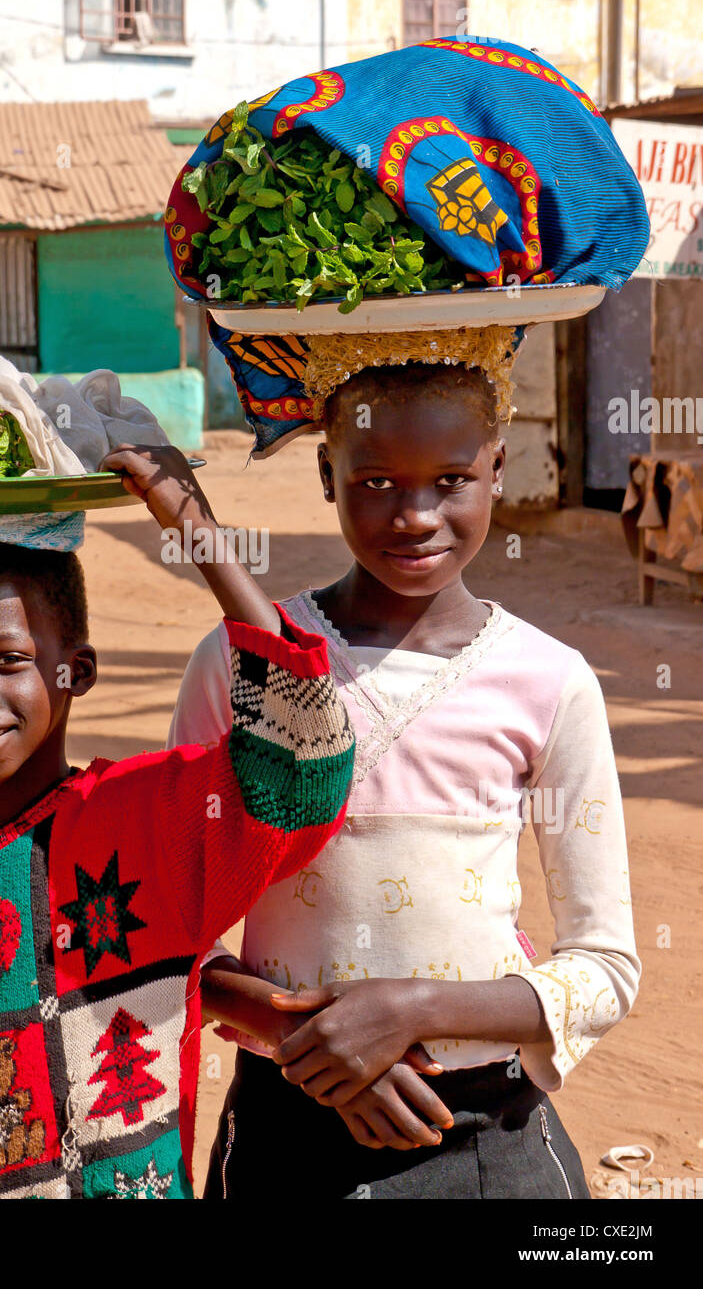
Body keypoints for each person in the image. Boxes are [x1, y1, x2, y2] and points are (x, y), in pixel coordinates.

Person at [0, 444, 355, 1200]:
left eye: (7, 659)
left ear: (78, 670)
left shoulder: (139, 824)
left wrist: (196, 531)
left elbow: (301, 765)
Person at [167, 331, 641, 1200]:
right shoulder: (238, 664)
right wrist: (302, 1038)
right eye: (375, 481)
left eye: (451, 480)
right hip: (286, 1128)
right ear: (325, 475)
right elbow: (167, 930)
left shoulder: (550, 680)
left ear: (498, 467)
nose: (414, 515)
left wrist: (411, 1011)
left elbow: (604, 968)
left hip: (487, 1141)